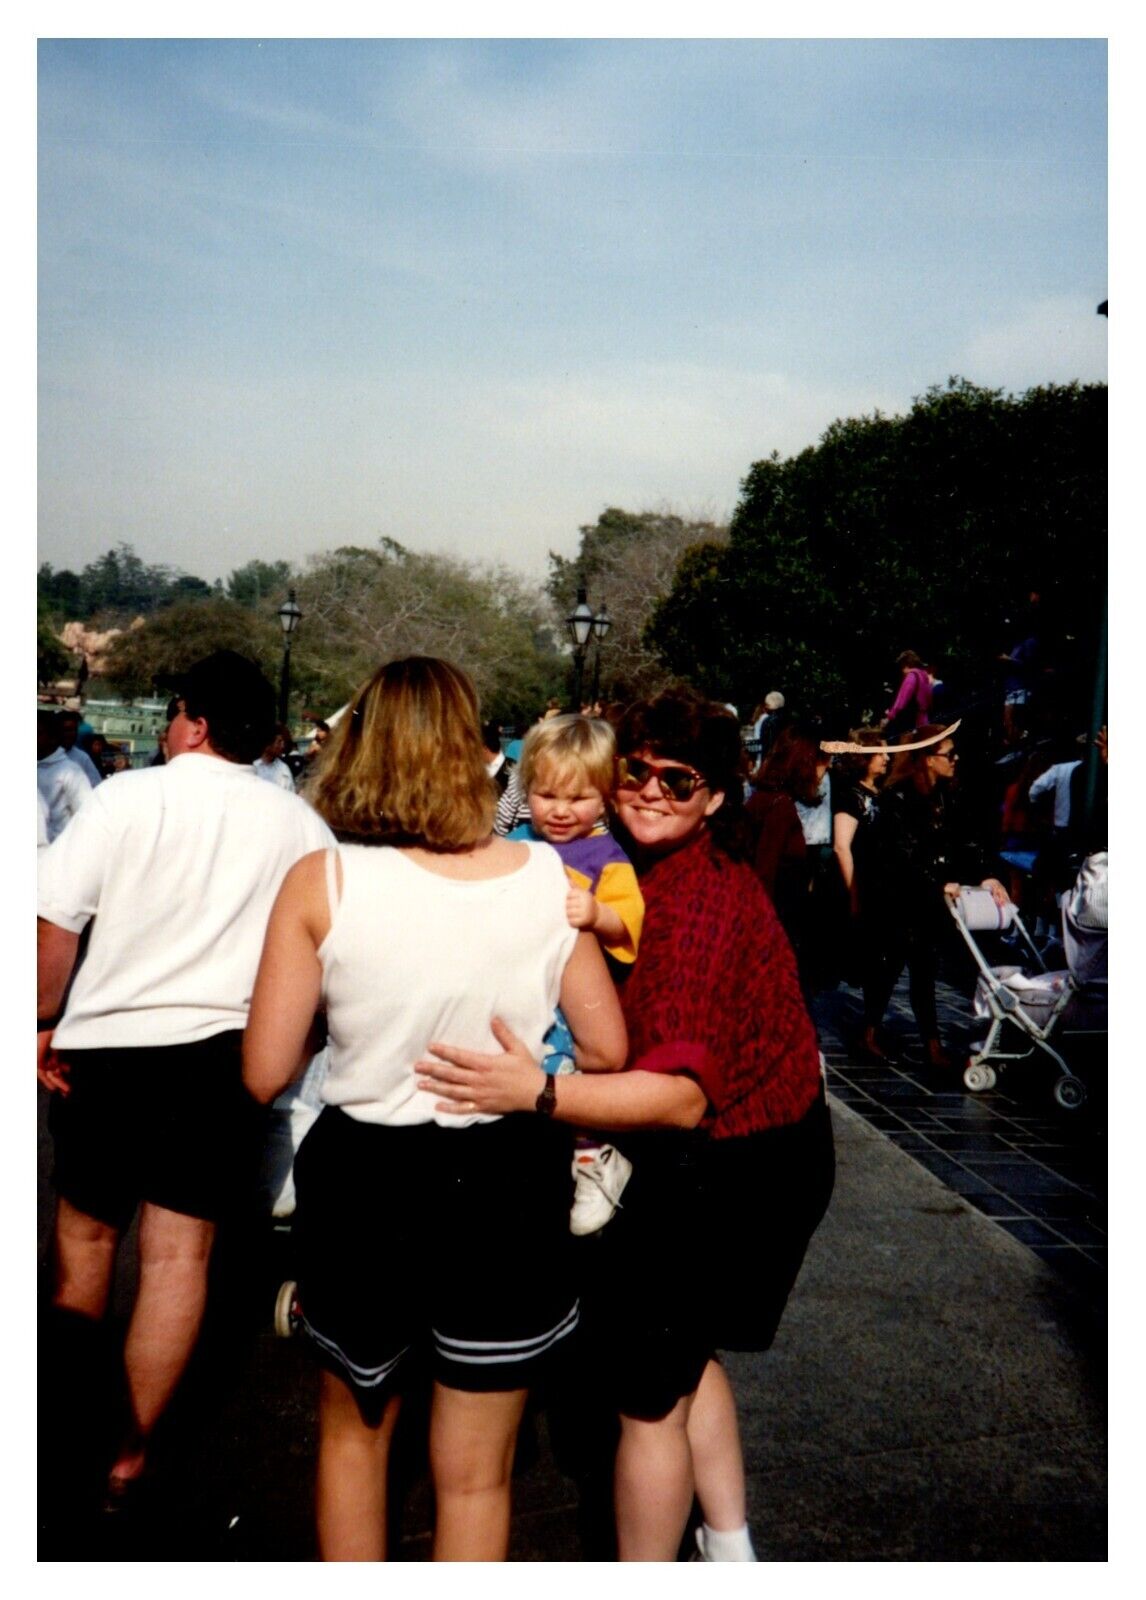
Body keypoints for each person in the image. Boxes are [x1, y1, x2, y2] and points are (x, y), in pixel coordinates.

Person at [417, 686, 834, 1562]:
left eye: (677, 781)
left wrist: (533, 1092)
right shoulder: (637, 867)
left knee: (645, 1397)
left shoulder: (700, 905)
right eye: (636, 772)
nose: (649, 790)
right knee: (682, 1356)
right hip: (744, 1147)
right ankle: (730, 1549)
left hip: (739, 1164)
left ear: (713, 799)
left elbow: (680, 1097)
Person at [241, 656, 626, 1562]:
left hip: (366, 1176)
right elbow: (607, 1050)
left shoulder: (323, 880)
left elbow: (263, 1073)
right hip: (506, 1173)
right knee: (478, 1474)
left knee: (354, 1439)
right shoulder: (545, 877)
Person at [37, 652, 334, 1515]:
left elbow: (55, 928)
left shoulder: (125, 798)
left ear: (195, 722)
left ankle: (66, 1430)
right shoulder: (299, 826)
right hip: (222, 1059)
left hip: (110, 1052)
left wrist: (40, 1022)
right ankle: (129, 1455)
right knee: (178, 1259)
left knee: (87, 1242)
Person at [508, 714, 644, 1233]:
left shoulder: (606, 858)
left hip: (574, 994)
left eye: (578, 798)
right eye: (546, 795)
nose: (561, 811)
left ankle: (593, 1155)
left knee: (572, 1069)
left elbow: (628, 924)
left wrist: (596, 914)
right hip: (519, 977)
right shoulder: (515, 841)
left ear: (605, 797)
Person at [858, 725, 1009, 1066]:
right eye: (948, 754)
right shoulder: (896, 799)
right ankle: (870, 1032)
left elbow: (966, 844)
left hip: (927, 900)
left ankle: (931, 1044)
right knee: (889, 968)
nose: (955, 760)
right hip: (898, 898)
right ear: (927, 759)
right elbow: (897, 856)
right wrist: (937, 883)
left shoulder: (946, 796)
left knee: (924, 969)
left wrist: (985, 875)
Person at [37, 709, 93, 843]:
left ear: (53, 738)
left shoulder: (70, 771)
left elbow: (87, 812)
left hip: (56, 847)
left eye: (38, 733)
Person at [883, 650, 933, 736]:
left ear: (905, 664)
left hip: (911, 724)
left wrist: (889, 716)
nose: (902, 671)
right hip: (924, 721)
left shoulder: (912, 676)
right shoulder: (924, 675)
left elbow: (902, 700)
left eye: (902, 667)